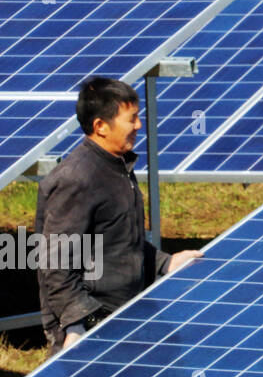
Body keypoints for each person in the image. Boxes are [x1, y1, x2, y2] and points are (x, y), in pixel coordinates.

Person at [36, 77, 203, 358]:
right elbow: (55, 261)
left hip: (125, 314)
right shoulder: (77, 179)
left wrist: (165, 262)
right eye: (132, 119)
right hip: (93, 323)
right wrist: (77, 324)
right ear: (101, 126)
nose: (139, 125)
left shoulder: (117, 166)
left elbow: (121, 238)